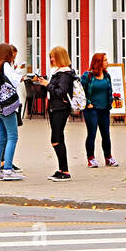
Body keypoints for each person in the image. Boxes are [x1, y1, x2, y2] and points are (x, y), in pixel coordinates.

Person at [35, 45, 76, 181]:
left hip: (60, 109)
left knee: (56, 140)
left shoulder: (65, 73)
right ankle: (62, 169)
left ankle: (65, 171)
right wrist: (43, 83)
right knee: (59, 139)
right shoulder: (58, 72)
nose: (51, 59)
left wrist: (47, 84)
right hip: (55, 108)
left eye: (53, 56)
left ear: (59, 57)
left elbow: (60, 92)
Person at [0, 43, 25, 180]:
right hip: (7, 107)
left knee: (1, 139)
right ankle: (8, 169)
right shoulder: (5, 66)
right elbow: (14, 82)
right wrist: (20, 71)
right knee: (12, 137)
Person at [81, 53, 117, 168]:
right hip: (92, 110)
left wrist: (110, 102)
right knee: (92, 134)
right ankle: (91, 158)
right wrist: (88, 103)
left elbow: (109, 90)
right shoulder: (88, 76)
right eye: (105, 60)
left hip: (104, 109)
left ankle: (108, 157)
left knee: (106, 134)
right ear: (98, 62)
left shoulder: (107, 75)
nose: (107, 62)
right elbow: (80, 92)